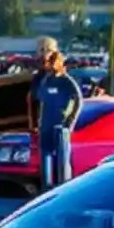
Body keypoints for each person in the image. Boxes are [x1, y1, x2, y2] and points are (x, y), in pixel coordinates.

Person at [32, 48, 82, 190]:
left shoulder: (67, 82)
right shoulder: (45, 80)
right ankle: (46, 188)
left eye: (53, 62)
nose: (51, 65)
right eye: (49, 62)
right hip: (46, 124)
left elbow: (78, 99)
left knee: (62, 159)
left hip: (61, 126)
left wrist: (70, 121)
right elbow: (38, 98)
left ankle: (64, 187)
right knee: (45, 156)